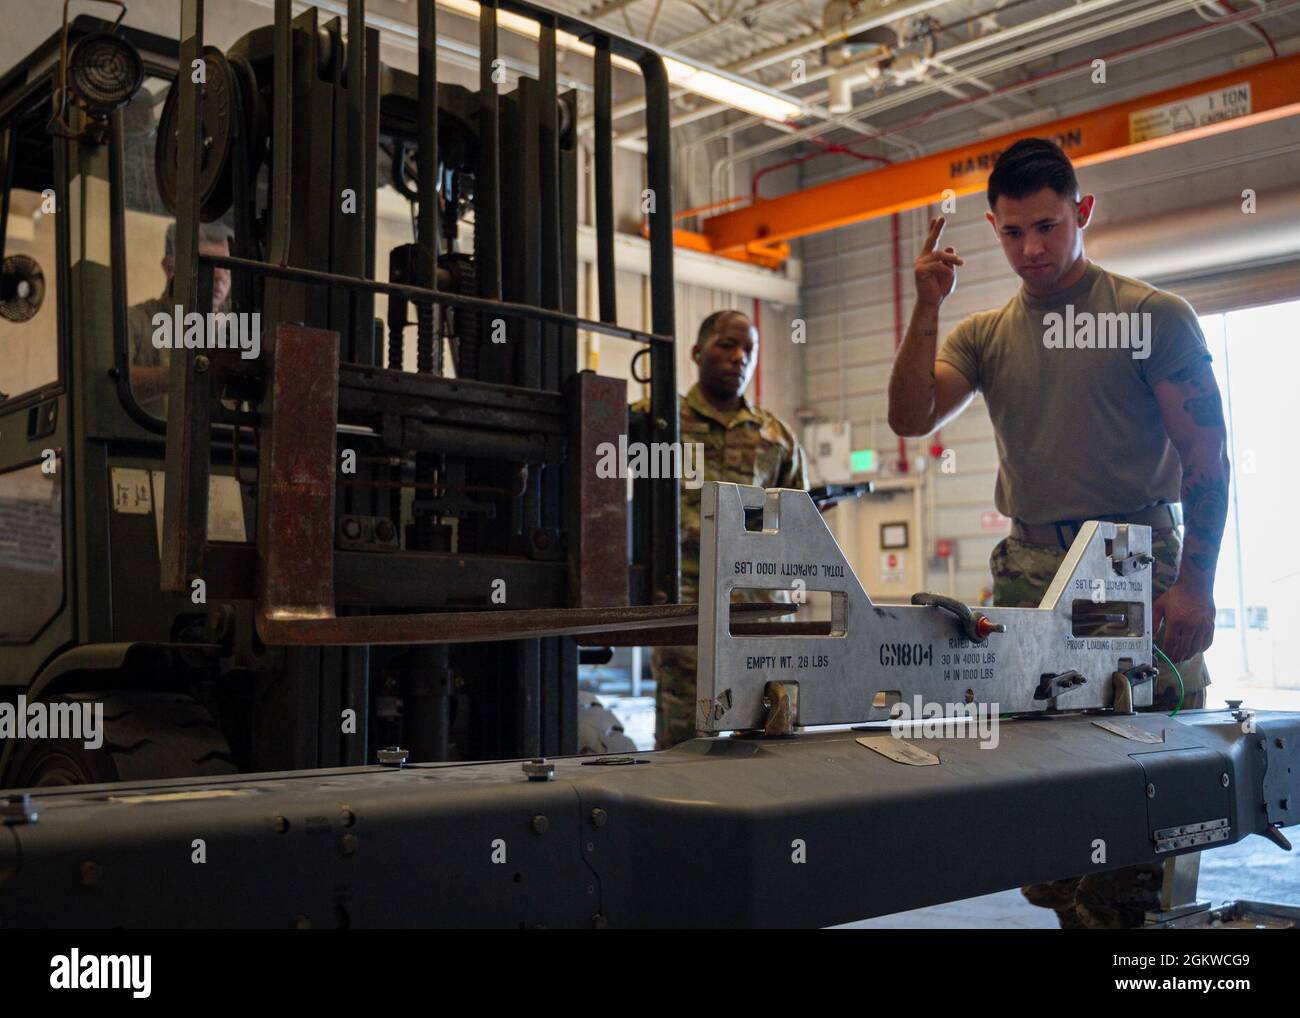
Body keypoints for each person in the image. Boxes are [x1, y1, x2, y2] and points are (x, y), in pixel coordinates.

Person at [887, 137, 1230, 928]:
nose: (1032, 249)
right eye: (1012, 233)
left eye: (1047, 227)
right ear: (992, 228)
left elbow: (1204, 457)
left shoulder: (1150, 318)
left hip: (1135, 570)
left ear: (1082, 212)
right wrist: (926, 304)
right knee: (1048, 839)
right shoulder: (983, 334)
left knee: (1138, 795)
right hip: (1028, 577)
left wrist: (1197, 584)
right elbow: (910, 417)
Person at [634, 309, 809, 750]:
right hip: (685, 608)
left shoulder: (777, 437)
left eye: (748, 350)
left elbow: (801, 526)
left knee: (771, 735)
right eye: (726, 346)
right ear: (696, 352)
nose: (739, 358)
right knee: (683, 738)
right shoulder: (656, 424)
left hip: (760, 613)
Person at [126, 221, 232, 418]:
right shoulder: (135, 322)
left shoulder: (235, 335)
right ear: (170, 267)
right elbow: (108, 384)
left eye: (226, 267)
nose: (220, 276)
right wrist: (186, 374)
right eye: (207, 264)